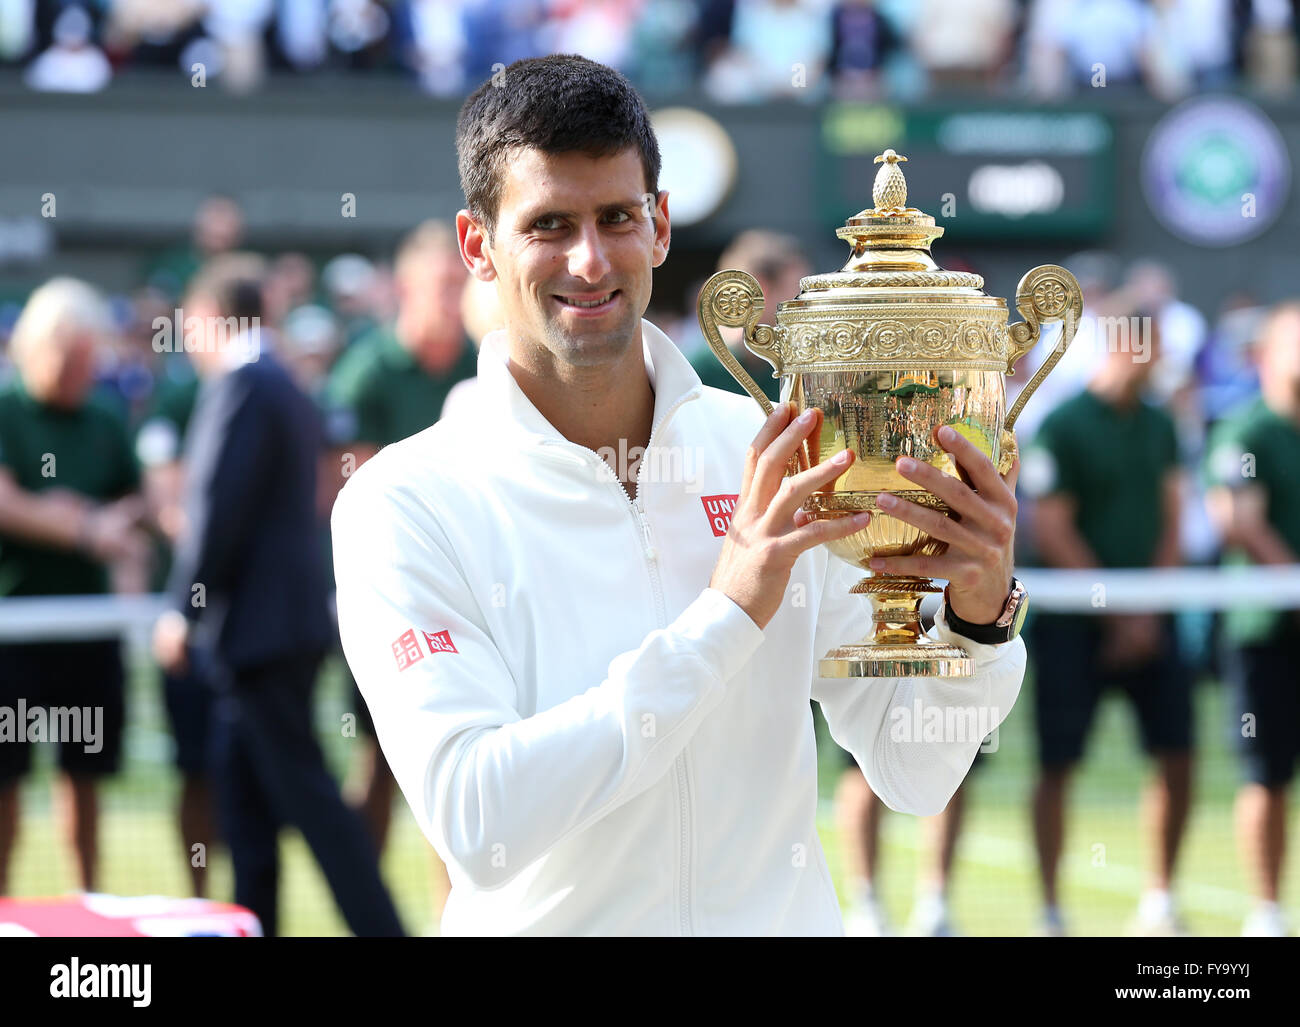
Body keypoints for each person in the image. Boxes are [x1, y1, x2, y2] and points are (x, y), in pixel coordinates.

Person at [331, 54, 1029, 936]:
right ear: (479, 247)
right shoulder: (403, 501)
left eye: (617, 217)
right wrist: (726, 615)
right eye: (549, 223)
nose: (589, 261)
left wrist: (975, 621)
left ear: (660, 226)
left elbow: (913, 768)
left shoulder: (777, 448)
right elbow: (478, 819)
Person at [151, 257, 403, 937]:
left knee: (312, 803)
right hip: (274, 629)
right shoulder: (282, 384)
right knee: (248, 810)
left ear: (207, 319)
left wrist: (183, 609)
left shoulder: (244, 384)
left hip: (262, 634)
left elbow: (214, 509)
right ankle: (254, 926)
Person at [321, 219, 477, 926]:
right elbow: (346, 486)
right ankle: (370, 917)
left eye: (461, 284)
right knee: (379, 769)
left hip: (475, 596)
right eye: (440, 283)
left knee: (463, 767)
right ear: (407, 286)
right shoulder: (369, 370)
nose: (452, 297)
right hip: (393, 598)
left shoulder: (484, 361)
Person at [1021, 315, 1192, 936]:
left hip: (1148, 619)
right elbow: (1052, 527)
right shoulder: (1063, 424)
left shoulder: (1160, 423)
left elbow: (1174, 515)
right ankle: (1050, 907)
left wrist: (1147, 608)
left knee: (1178, 752)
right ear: (1125, 345)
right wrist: (1118, 609)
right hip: (1075, 624)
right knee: (1058, 761)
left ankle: (1161, 899)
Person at [0, 277, 147, 894]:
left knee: (84, 776)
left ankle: (86, 908)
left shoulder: (105, 417)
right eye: (68, 359)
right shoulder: (8, 410)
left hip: (87, 625)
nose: (78, 372)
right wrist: (80, 526)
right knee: (6, 781)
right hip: (14, 626)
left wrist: (111, 523)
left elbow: (134, 499)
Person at [1205, 301, 1300, 938]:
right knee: (1265, 771)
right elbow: (1239, 520)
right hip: (1267, 631)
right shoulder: (1247, 431)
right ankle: (1267, 910)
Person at [685, 229, 808, 404]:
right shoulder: (694, 369)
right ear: (761, 290)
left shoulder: (794, 365)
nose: (803, 304)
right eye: (796, 291)